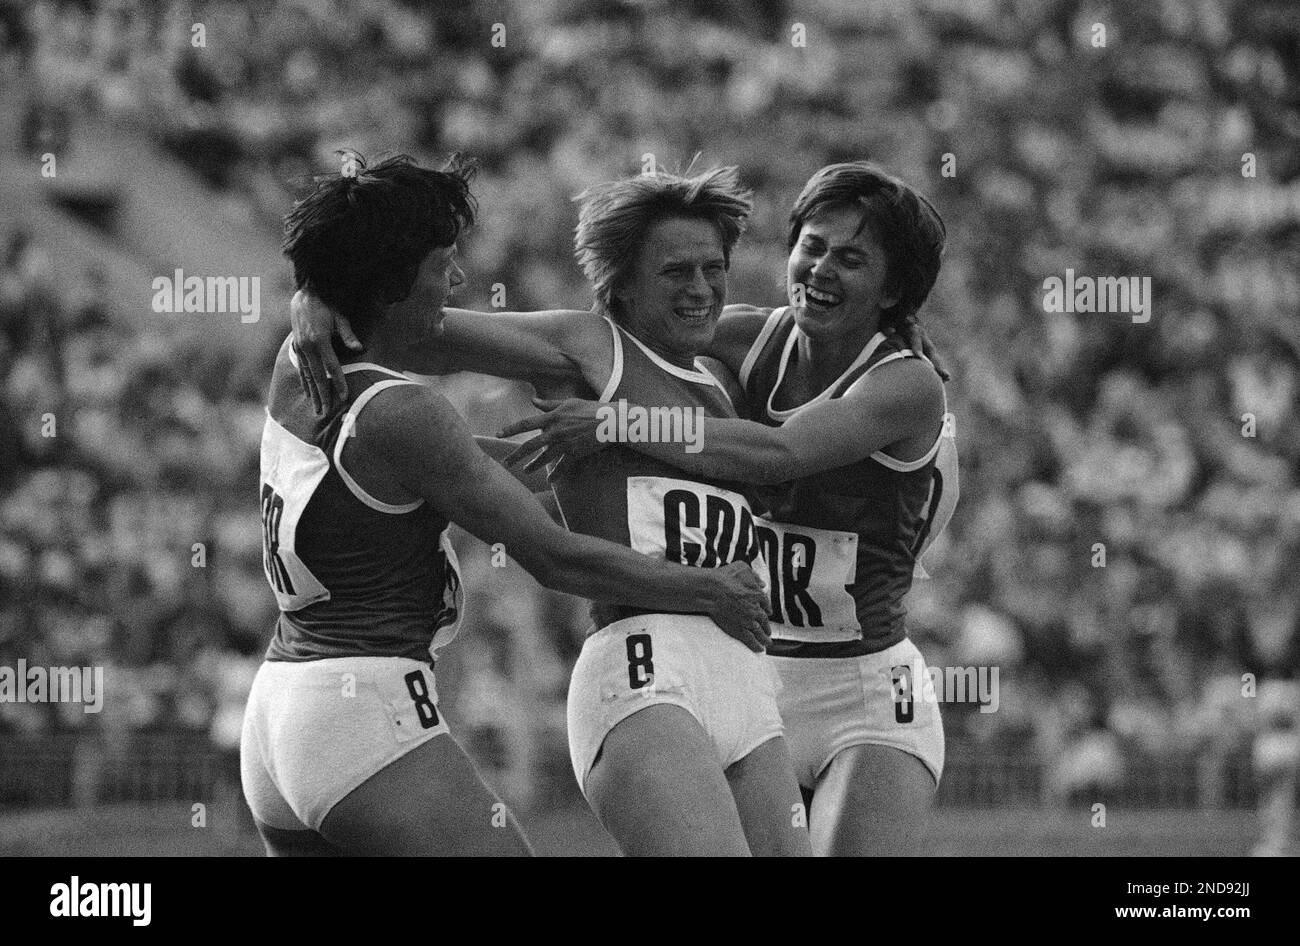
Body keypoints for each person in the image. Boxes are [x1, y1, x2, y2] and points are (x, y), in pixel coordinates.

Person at [242, 154, 771, 856]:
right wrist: (708, 586)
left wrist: (313, 292)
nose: (457, 280)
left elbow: (478, 475)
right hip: (362, 711)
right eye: (441, 265)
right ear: (392, 279)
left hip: (279, 708)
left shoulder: (296, 364)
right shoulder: (408, 413)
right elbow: (554, 557)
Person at [500, 162, 958, 855]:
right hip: (749, 674)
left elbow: (775, 456)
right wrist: (331, 296)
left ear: (894, 290)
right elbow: (619, 333)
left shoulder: (905, 384)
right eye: (812, 245)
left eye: (853, 259)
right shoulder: (745, 337)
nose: (823, 268)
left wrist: (621, 422)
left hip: (862, 689)